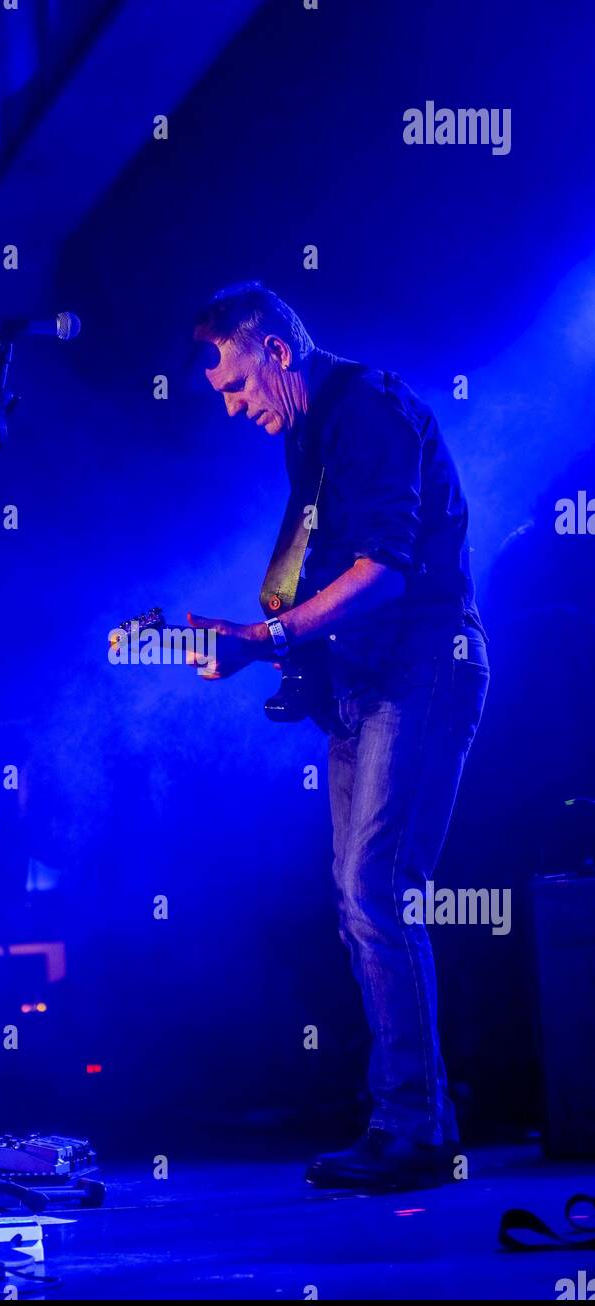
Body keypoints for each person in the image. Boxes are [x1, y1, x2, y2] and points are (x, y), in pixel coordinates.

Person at [188, 281, 489, 1191]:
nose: (233, 408)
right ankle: (410, 1119)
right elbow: (314, 578)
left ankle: (416, 1131)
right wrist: (258, 638)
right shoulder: (310, 438)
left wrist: (265, 638)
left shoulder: (369, 408)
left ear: (276, 351)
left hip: (422, 668)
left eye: (237, 385)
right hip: (366, 682)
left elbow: (386, 572)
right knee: (360, 901)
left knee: (377, 888)